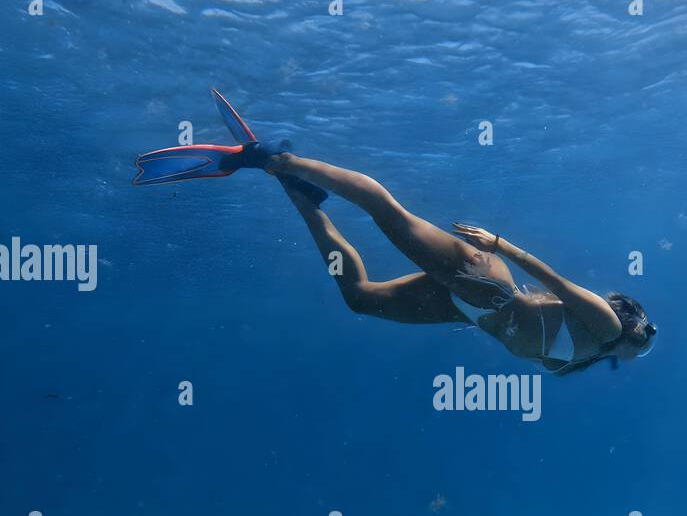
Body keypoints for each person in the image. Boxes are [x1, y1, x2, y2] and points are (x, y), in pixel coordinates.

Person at [134, 89, 657, 375]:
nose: (645, 346)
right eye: (647, 336)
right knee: (391, 217)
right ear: (631, 324)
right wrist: (499, 245)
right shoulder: (606, 325)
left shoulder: (588, 359)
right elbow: (558, 283)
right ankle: (277, 156)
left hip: (466, 310)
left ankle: (298, 190)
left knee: (359, 299)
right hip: (488, 284)